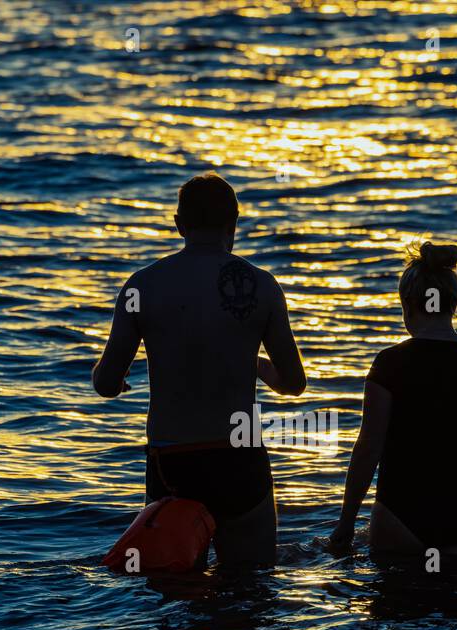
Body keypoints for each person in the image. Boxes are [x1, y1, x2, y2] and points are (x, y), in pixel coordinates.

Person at [93, 172, 306, 567]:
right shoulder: (262, 286)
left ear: (178, 225)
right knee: (251, 592)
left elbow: (105, 384)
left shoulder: (142, 285)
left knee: (173, 594)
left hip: (172, 460)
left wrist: (117, 381)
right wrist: (254, 363)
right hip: (239, 455)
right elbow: (293, 383)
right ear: (235, 224)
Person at [329, 241, 457, 564]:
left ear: (407, 304)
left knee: (397, 602)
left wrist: (346, 524)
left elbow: (368, 449)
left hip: (402, 515)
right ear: (455, 302)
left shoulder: (389, 364)